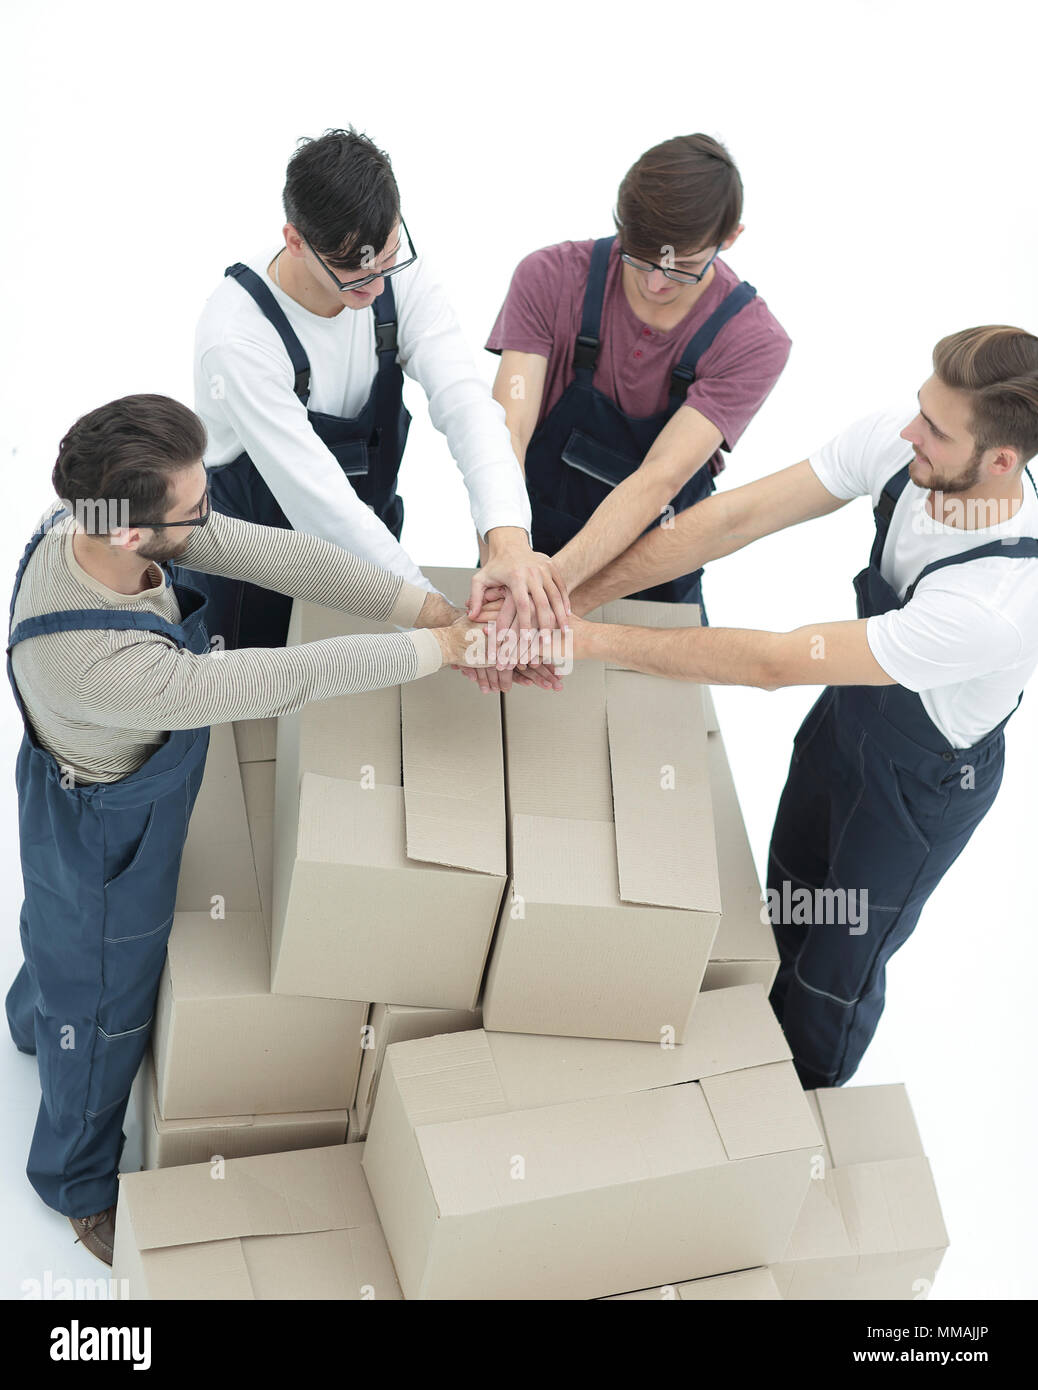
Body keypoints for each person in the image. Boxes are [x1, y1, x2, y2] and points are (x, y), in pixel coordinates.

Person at [4, 394, 512, 1265]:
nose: (207, 513)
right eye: (192, 507)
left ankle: (29, 1020)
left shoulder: (88, 517)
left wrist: (422, 608)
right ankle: (74, 1184)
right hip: (106, 836)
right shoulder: (100, 662)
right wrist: (443, 653)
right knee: (103, 1005)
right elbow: (278, 680)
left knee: (59, 952)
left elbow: (276, 555)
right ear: (132, 533)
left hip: (84, 782)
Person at [558, 325, 1038, 1088]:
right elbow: (732, 519)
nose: (910, 432)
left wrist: (583, 642)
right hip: (851, 714)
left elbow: (778, 662)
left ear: (1001, 462)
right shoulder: (905, 448)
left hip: (922, 786)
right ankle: (730, 1063)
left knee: (833, 968)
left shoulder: (1000, 600)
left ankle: (790, 1116)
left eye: (937, 432)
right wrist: (564, 596)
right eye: (920, 409)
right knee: (784, 893)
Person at [192, 126, 567, 657]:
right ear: (295, 241)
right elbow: (320, 504)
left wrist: (508, 540)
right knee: (256, 736)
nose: (374, 285)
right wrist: (442, 622)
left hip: (373, 561)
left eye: (387, 258)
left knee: (358, 729)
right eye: (351, 272)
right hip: (254, 581)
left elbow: (467, 405)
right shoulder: (237, 339)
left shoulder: (399, 277)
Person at [483, 133, 791, 625]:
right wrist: (508, 551)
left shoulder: (753, 339)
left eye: (684, 267)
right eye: (640, 257)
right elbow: (508, 430)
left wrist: (551, 594)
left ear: (729, 237)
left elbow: (659, 477)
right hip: (524, 555)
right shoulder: (550, 277)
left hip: (655, 585)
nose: (655, 284)